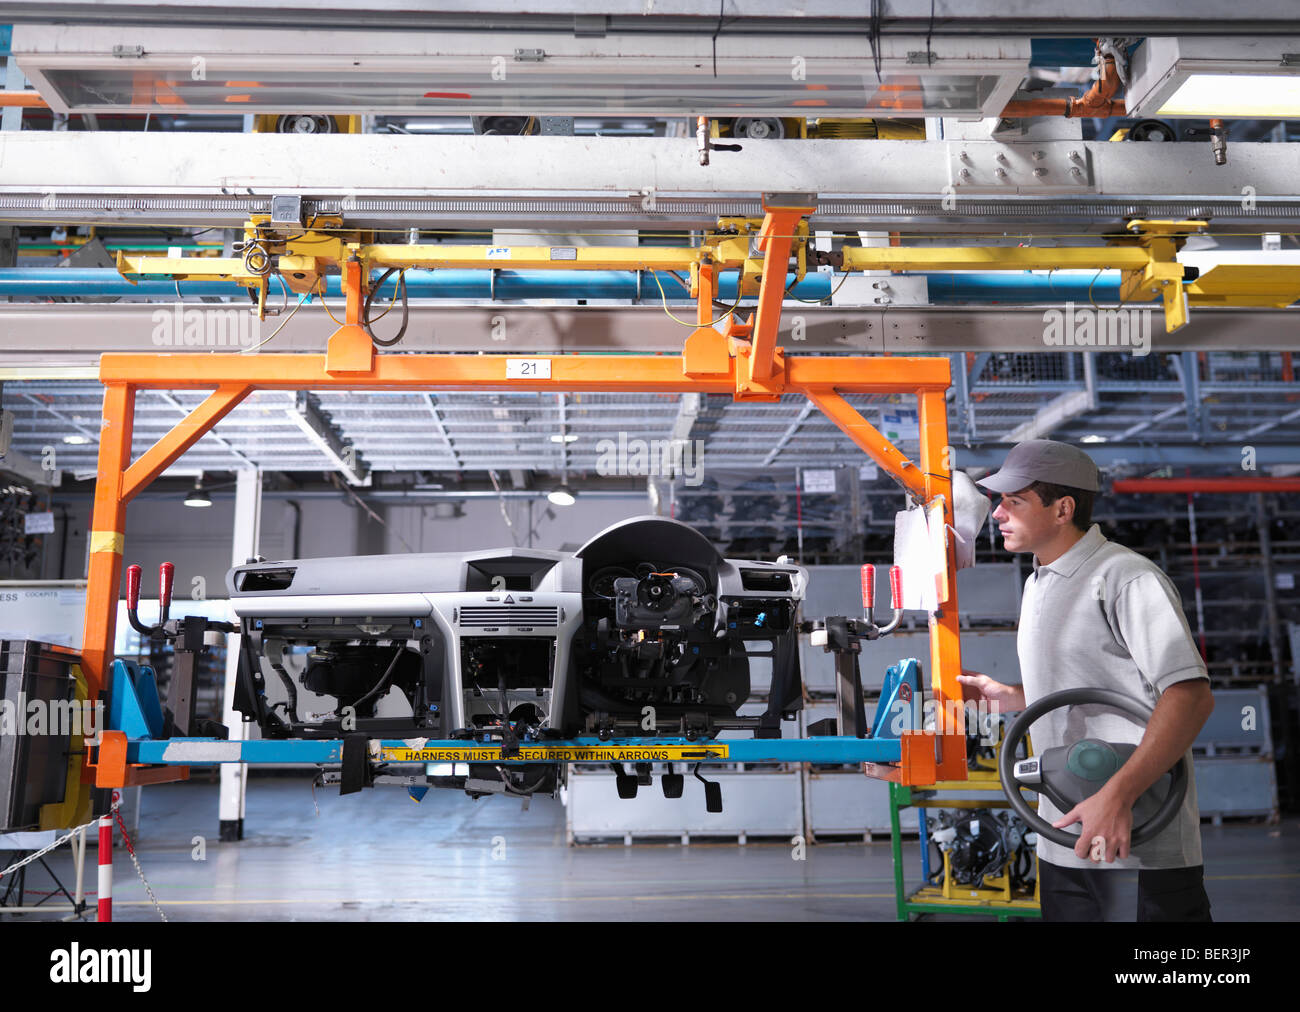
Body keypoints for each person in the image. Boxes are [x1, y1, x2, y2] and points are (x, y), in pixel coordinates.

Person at [956, 439, 1215, 922]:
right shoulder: (1039, 581)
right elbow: (1102, 685)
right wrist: (1012, 697)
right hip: (1062, 837)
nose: (997, 515)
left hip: (1135, 841)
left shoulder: (1124, 578)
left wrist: (1116, 795)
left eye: (1014, 501)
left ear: (1063, 509)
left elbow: (1191, 697)